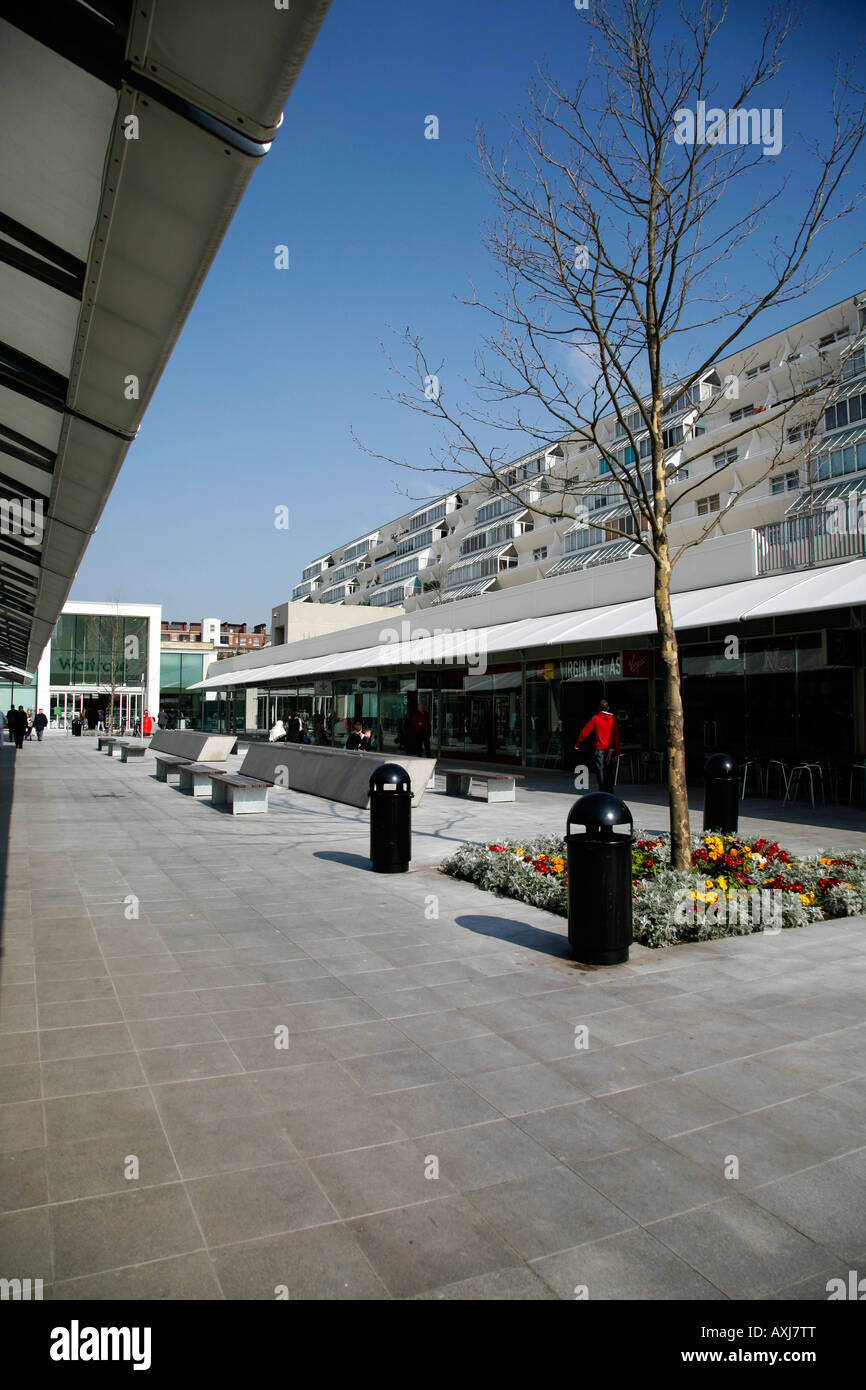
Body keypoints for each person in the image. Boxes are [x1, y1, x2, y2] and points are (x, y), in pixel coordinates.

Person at [576, 698, 621, 793]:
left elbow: (585, 731)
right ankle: (610, 790)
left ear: (598, 709)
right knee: (609, 770)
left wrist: (578, 742)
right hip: (610, 748)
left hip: (599, 747)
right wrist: (617, 749)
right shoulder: (613, 719)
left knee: (600, 769)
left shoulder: (595, 718)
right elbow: (616, 735)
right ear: (608, 708)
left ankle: (602, 788)